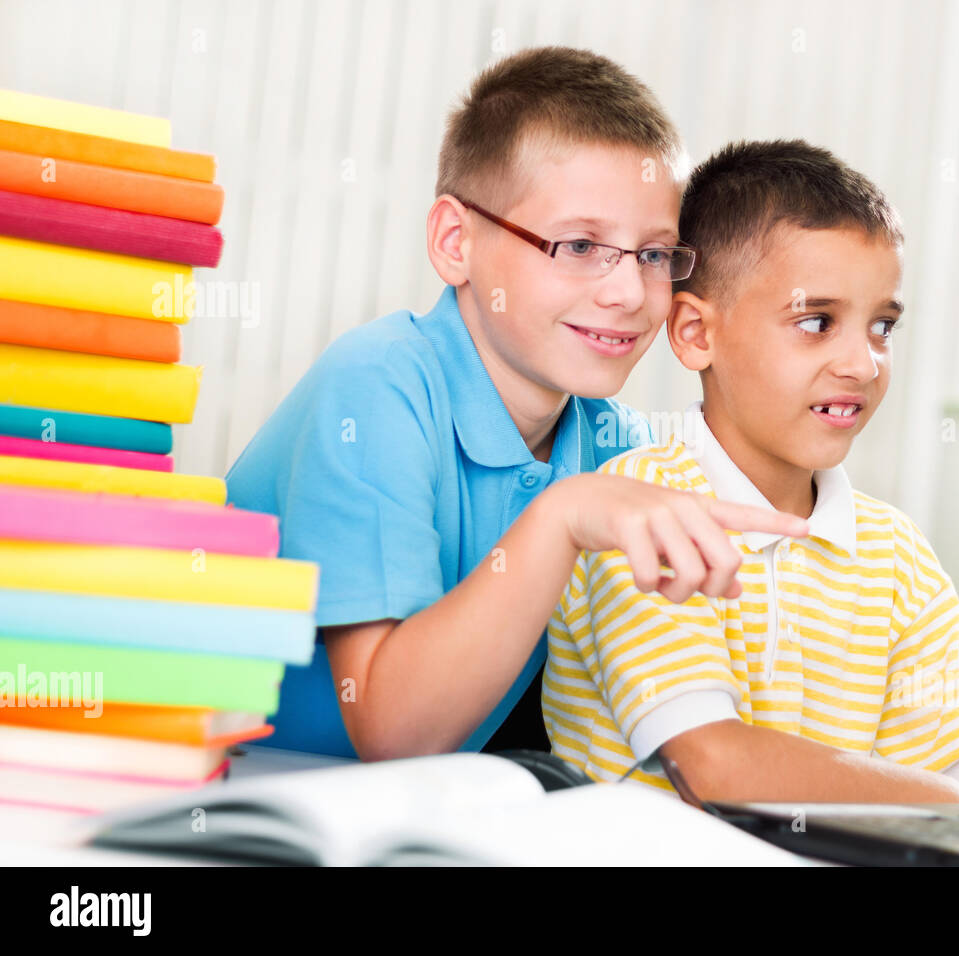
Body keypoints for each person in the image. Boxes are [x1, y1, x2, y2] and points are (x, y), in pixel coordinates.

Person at [225, 49, 808, 760]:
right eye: (581, 244)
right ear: (455, 242)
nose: (628, 293)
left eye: (654, 254)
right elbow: (391, 732)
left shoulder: (615, 446)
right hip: (234, 803)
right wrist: (562, 517)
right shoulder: (377, 387)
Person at [542, 140, 959, 803]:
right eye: (817, 322)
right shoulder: (637, 513)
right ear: (696, 334)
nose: (863, 363)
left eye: (882, 327)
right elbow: (715, 766)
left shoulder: (896, 559)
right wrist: (951, 806)